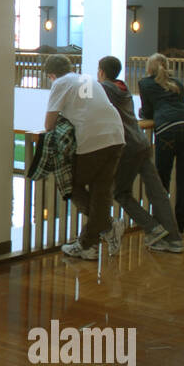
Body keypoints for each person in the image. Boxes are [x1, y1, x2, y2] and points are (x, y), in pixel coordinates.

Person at [97, 56, 184, 254]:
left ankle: (153, 228)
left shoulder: (103, 89)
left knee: (120, 192)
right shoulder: (122, 88)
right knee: (158, 191)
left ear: (101, 72)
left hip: (127, 147)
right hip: (142, 143)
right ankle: (174, 239)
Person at [43, 54, 124, 259]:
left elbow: (48, 124)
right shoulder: (87, 78)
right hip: (116, 135)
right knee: (100, 191)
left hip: (93, 139)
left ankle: (107, 226)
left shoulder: (60, 83)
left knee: (71, 185)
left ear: (51, 75)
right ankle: (89, 244)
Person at [138, 53, 184, 234]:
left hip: (167, 129)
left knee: (162, 179)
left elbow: (148, 112)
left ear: (149, 68)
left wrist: (143, 112)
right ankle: (181, 223)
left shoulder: (145, 84)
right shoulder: (177, 83)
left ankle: (162, 223)